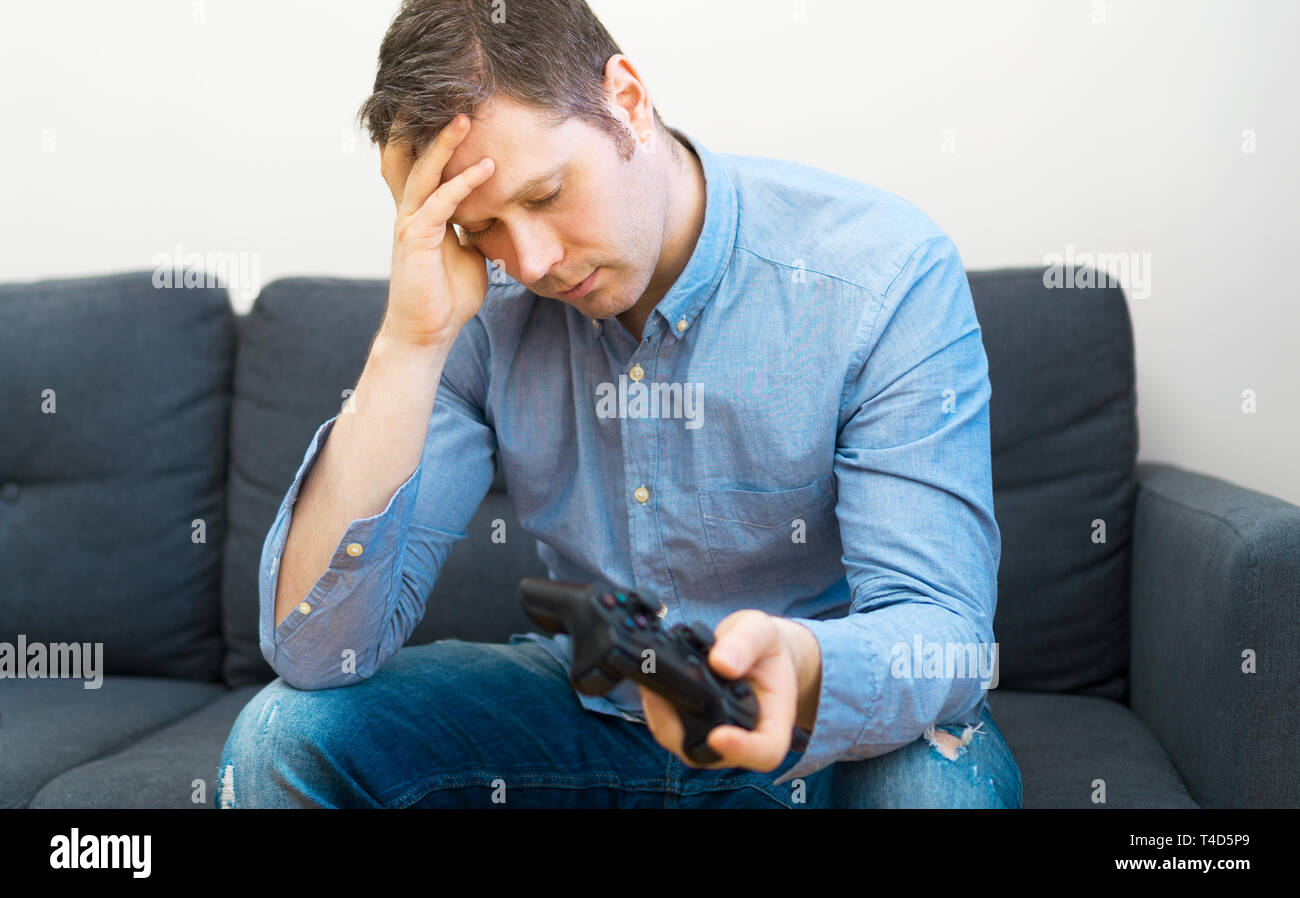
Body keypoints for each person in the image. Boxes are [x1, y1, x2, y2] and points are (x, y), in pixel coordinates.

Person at [216, 0, 1021, 809]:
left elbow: (941, 635)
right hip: (589, 712)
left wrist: (802, 671)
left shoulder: (881, 276)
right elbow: (318, 655)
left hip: (821, 731)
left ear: (628, 102)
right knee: (284, 737)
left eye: (545, 194)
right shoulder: (482, 304)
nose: (530, 260)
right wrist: (409, 341)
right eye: (484, 226)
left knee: (936, 797)